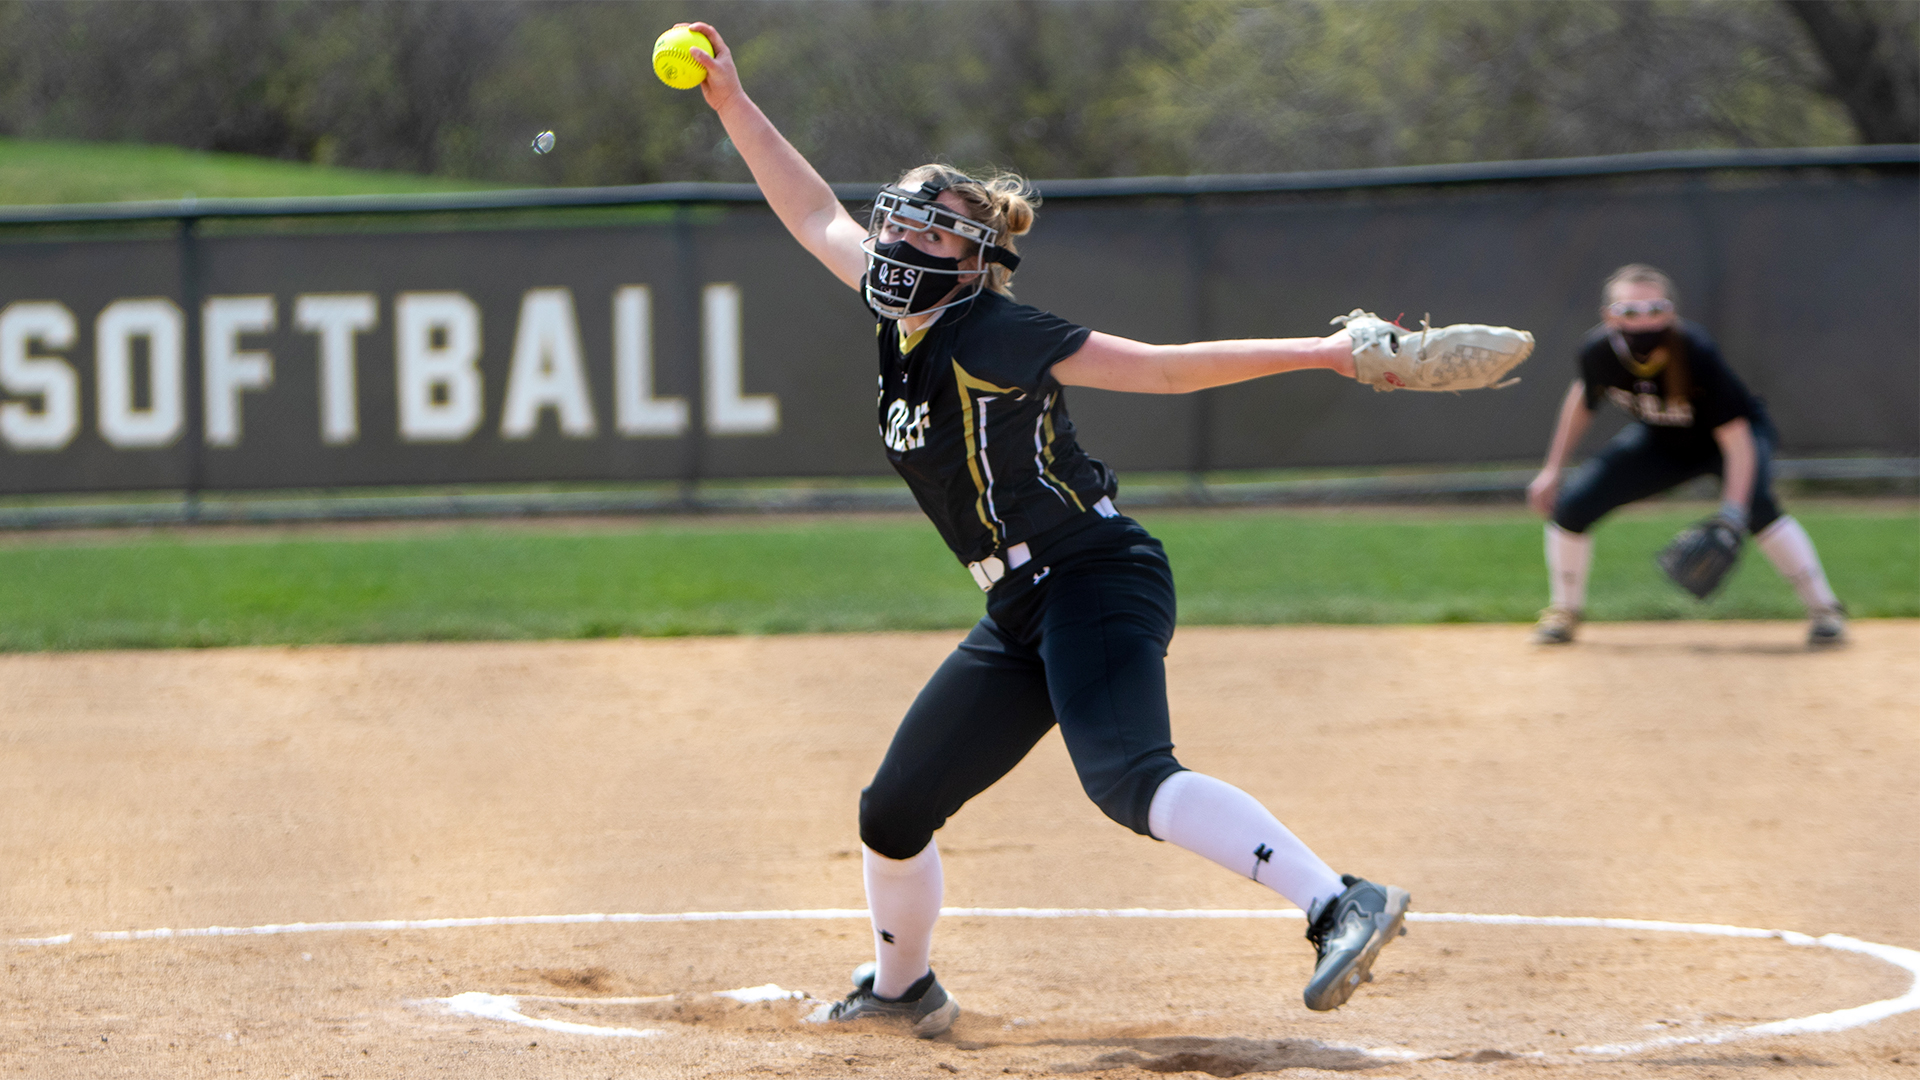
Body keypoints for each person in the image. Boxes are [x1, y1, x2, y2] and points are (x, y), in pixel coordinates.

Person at [680, 22, 1420, 1037]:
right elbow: (812, 211)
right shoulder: (902, 318)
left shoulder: (993, 330)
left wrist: (1326, 353)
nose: (898, 242)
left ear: (973, 261)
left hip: (1093, 574)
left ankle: (1340, 901)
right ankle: (903, 988)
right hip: (1019, 605)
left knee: (1128, 777)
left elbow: (1161, 369)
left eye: (930, 232)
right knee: (892, 811)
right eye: (896, 223)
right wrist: (731, 102)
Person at [1526, 264, 1847, 646]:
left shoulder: (1693, 350)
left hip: (1727, 442)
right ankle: (1564, 612)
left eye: (1655, 309)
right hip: (1662, 442)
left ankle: (1824, 610)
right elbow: (1584, 399)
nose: (1644, 320)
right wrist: (1552, 469)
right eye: (1630, 311)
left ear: (1671, 313)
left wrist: (1732, 513)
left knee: (1757, 507)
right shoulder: (1599, 351)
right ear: (1609, 316)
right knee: (1573, 506)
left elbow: (1736, 439)